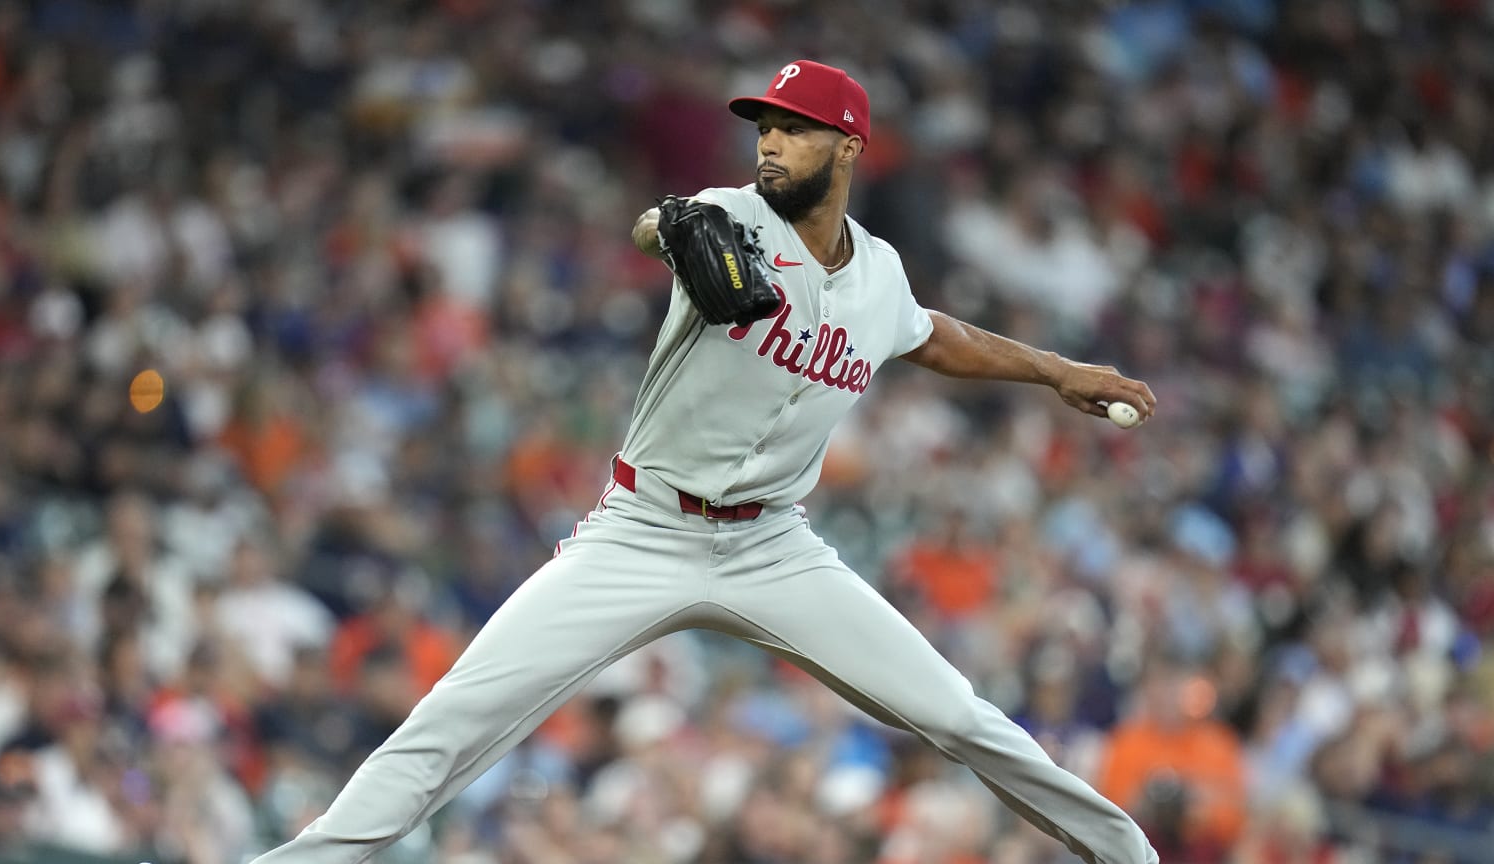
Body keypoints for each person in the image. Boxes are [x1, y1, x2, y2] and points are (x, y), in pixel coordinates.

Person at [253, 59, 1159, 864]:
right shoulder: (732, 217)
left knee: (960, 716)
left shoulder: (879, 275)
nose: (769, 143)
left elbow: (933, 336)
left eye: (792, 130)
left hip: (775, 549)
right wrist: (664, 228)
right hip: (642, 531)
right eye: (763, 127)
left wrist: (1057, 371)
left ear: (847, 147)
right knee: (454, 721)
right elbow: (662, 225)